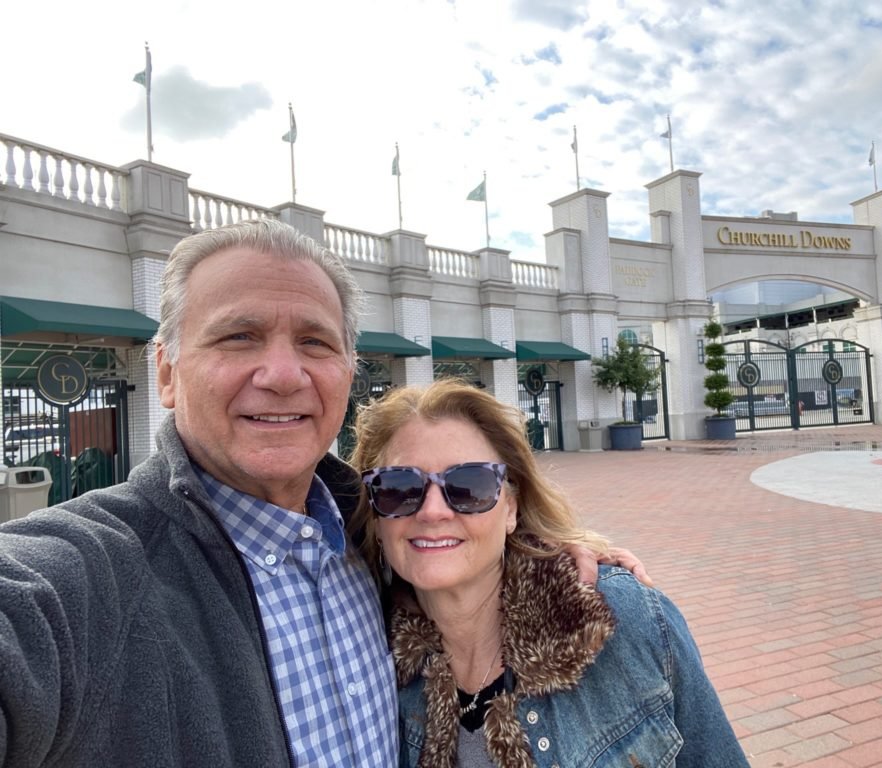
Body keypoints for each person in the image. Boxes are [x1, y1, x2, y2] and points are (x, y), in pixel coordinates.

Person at [0, 219, 646, 767]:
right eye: (238, 336)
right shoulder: (91, 580)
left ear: (345, 373)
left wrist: (539, 553)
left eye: (315, 342)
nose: (283, 375)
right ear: (166, 373)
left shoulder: (376, 538)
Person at [352, 379, 750, 767]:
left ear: (511, 508)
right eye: (398, 488)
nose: (433, 511)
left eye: (469, 484)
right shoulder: (369, 663)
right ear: (375, 513)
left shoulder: (620, 619)